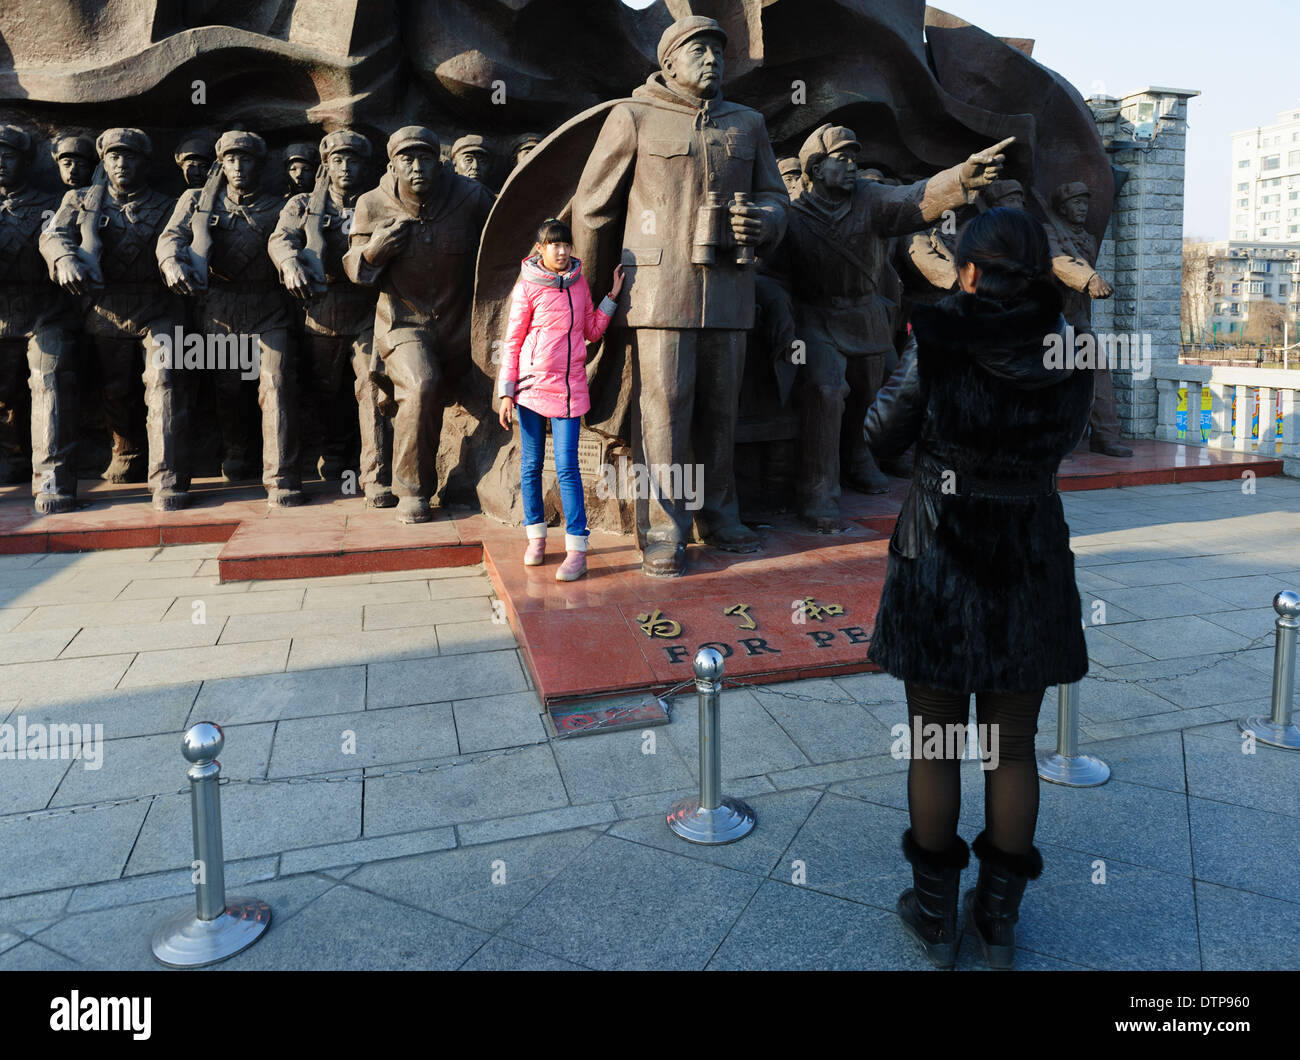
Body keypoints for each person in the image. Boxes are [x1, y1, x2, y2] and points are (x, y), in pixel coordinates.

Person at [864, 207, 1093, 969]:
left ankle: (933, 916)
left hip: (941, 550)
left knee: (936, 737)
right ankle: (996, 921)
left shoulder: (937, 336)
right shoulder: (1072, 347)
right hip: (1029, 548)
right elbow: (1063, 441)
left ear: (967, 270)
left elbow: (879, 435)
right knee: (1013, 744)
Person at [571, 14, 788, 577]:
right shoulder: (634, 115)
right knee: (664, 412)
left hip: (730, 291)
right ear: (669, 63)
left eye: (717, 50)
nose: (712, 58)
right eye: (698, 50)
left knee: (722, 409)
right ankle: (664, 529)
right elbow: (593, 209)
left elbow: (777, 199)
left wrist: (764, 221)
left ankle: (719, 515)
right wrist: (589, 298)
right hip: (658, 293)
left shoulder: (749, 123)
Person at [342, 126, 495, 523]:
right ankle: (413, 489)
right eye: (406, 160)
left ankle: (498, 482)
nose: (416, 167)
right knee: (422, 384)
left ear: (438, 161)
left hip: (463, 326)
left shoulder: (469, 196)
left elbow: (508, 234)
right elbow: (355, 270)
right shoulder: (372, 204)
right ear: (392, 164)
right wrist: (374, 253)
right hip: (404, 326)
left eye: (424, 158)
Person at [40, 127, 190, 509]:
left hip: (158, 310)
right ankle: (126, 450)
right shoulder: (80, 200)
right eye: (114, 157)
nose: (122, 164)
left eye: (131, 157)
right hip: (105, 312)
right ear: (103, 162)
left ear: (145, 162)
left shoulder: (166, 203)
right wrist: (64, 258)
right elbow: (53, 234)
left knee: (165, 380)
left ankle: (168, 477)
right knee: (116, 391)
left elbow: (180, 236)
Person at [496, 219, 624, 581]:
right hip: (531, 388)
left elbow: (592, 331)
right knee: (531, 465)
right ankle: (535, 538)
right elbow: (512, 342)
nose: (562, 250)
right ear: (540, 249)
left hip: (569, 389)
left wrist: (611, 298)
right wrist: (507, 393)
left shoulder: (579, 282)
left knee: (568, 468)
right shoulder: (527, 288)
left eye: (566, 244)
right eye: (554, 245)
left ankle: (576, 549)